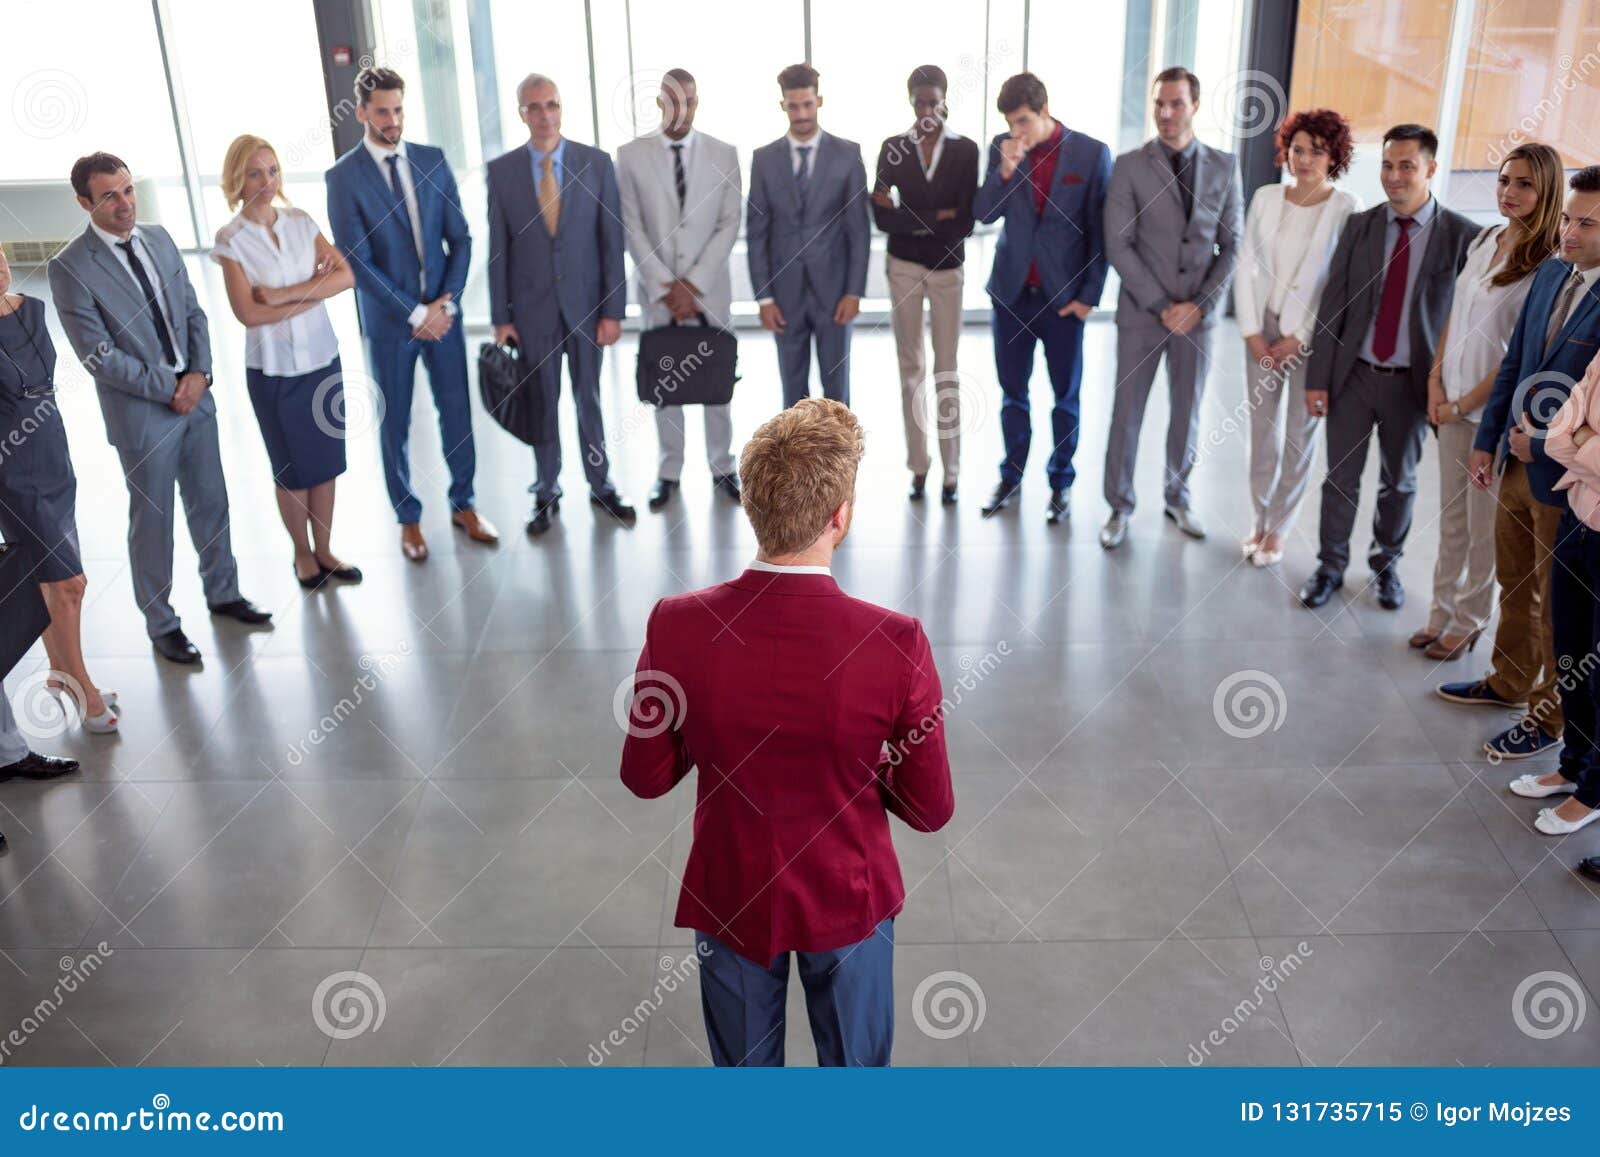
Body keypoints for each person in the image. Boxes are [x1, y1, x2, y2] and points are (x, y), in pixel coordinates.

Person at [619, 398, 954, 1067]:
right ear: (840, 516)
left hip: (731, 890)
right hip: (849, 899)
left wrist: (710, 733)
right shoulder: (896, 642)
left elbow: (646, 775)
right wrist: (870, 761)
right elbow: (929, 808)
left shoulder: (676, 623)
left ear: (753, 507)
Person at [48, 152, 271, 666]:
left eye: (127, 190)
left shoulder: (161, 238)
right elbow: (98, 355)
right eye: (109, 196)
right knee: (153, 521)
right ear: (85, 203)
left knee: (211, 502)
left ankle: (224, 593)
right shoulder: (70, 268)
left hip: (196, 397)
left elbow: (193, 311)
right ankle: (162, 622)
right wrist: (171, 387)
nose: (124, 204)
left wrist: (200, 375)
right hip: (144, 415)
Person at [1297, 124, 1478, 610]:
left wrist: (1449, 391)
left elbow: (1464, 325)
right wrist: (1318, 378)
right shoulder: (1361, 225)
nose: (1394, 177)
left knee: (1399, 482)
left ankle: (1386, 566)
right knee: (1340, 477)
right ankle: (1330, 566)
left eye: (1407, 166)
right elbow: (1333, 304)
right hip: (1354, 375)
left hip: (1412, 386)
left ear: (1431, 170)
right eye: (1386, 165)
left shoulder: (1463, 237)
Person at [1455, 167, 1600, 766]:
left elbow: (1590, 407)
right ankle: (1508, 681)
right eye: (1569, 218)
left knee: (1555, 602)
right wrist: (1488, 440)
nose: (1569, 232)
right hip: (1512, 461)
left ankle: (1550, 716)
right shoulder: (1549, 274)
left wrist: (1534, 444)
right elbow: (1516, 362)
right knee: (1512, 580)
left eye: (1587, 224)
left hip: (1563, 475)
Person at [326, 66, 496, 561]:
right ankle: (408, 518)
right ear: (361, 112)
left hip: (444, 316)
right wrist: (415, 311)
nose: (393, 119)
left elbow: (461, 237)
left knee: (457, 412)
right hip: (390, 325)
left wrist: (446, 302)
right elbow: (357, 258)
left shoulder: (431, 159)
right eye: (382, 111)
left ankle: (463, 503)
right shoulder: (343, 177)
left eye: (398, 109)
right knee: (395, 421)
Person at [1413, 143, 1561, 661]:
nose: (1509, 191)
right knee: (1450, 517)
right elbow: (1454, 317)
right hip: (1449, 403)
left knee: (1482, 527)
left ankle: (1469, 619)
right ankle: (1438, 612)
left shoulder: (1547, 264)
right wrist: (1436, 384)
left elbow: (1516, 356)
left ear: (1545, 192)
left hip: (1485, 417)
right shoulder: (1485, 238)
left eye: (1523, 184)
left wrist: (1463, 406)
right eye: (1504, 180)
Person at [1100, 67, 1242, 548]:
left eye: (1176, 103)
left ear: (1195, 106)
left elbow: (1234, 244)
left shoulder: (1225, 165)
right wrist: (1163, 305)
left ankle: (1178, 497)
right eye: (1159, 103)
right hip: (1143, 313)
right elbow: (1118, 245)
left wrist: (1199, 306)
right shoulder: (1129, 165)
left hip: (1198, 321)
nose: (1165, 113)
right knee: (1127, 413)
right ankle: (1118, 506)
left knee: (1188, 411)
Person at [213, 135, 362, 590]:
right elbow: (248, 314)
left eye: (272, 170)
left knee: (326, 462)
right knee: (292, 469)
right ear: (238, 179)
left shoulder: (301, 221)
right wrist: (311, 292)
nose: (266, 181)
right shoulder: (231, 240)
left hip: (321, 359)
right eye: (255, 173)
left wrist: (281, 294)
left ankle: (326, 549)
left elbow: (347, 276)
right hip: (273, 371)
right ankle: (302, 554)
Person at [489, 72, 635, 535]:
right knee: (543, 402)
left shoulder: (595, 162)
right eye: (534, 107)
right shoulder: (503, 171)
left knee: (588, 399)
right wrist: (501, 318)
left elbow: (612, 241)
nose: (545, 115)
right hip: (532, 314)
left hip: (588, 309)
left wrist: (614, 310)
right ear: (522, 113)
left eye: (551, 104)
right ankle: (546, 489)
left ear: (560, 107)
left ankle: (601, 484)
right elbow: (499, 249)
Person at [972, 72, 1109, 523]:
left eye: (1024, 122)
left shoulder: (1090, 153)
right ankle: (1010, 477)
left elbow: (1100, 232)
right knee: (1013, 393)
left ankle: (1060, 483)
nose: (1017, 132)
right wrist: (1006, 167)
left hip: (1063, 299)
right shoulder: (1004, 147)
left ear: (1045, 111)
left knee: (1064, 396)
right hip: (1011, 295)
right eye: (1011, 123)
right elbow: (983, 213)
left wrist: (1089, 297)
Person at [1233, 109, 1360, 567]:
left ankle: (1280, 529)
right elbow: (1245, 265)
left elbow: (1337, 283)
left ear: (1335, 156)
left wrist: (1301, 337)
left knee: (1297, 436)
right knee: (1261, 435)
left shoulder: (1345, 207)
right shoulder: (1266, 197)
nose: (1304, 159)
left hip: (1309, 338)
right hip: (1261, 332)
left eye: (1317, 151)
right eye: (1298, 149)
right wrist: (1250, 332)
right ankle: (1259, 518)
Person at [615, 69, 743, 512]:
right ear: (658, 103)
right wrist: (665, 285)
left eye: (689, 100)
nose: (681, 109)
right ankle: (669, 470)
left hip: (709, 290)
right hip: (658, 291)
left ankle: (722, 466)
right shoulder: (629, 156)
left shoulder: (725, 154)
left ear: (697, 102)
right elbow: (629, 225)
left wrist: (695, 284)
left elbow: (730, 222)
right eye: (673, 101)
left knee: (716, 377)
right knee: (665, 377)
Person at [0, 250, 114, 733]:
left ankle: (61, 673)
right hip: (12, 469)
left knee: (52, 581)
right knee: (69, 581)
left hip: (52, 451)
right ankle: (83, 689)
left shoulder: (31, 309)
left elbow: (41, 383)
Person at [873, 64, 978, 506]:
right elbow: (880, 216)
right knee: (909, 366)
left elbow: (966, 221)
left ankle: (951, 471)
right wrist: (938, 220)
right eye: (919, 102)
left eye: (933, 101)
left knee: (946, 368)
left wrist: (910, 219)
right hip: (903, 268)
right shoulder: (893, 148)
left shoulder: (966, 150)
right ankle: (919, 466)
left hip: (947, 270)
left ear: (945, 100)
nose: (927, 109)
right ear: (911, 101)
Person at [1515, 334, 1600, 835]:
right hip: (1577, 523)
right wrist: (1582, 438)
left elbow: (1567, 438)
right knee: (1568, 650)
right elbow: (1561, 426)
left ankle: (1595, 792)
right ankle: (1575, 764)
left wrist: (1580, 440)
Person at [748, 64, 870, 408]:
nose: (801, 114)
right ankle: (794, 464)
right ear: (782, 105)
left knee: (837, 393)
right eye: (793, 105)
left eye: (807, 104)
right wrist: (765, 299)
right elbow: (756, 233)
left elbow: (858, 229)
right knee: (792, 394)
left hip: (835, 294)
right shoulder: (763, 159)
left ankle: (841, 463)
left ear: (819, 101)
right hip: (784, 296)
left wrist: (854, 291)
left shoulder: (848, 154)